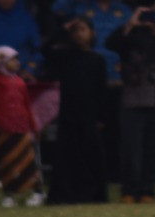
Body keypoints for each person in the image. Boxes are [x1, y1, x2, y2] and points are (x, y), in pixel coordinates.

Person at [107, 7, 155, 203]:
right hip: (133, 101)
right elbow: (111, 43)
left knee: (154, 150)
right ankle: (129, 190)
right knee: (131, 149)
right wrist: (131, 24)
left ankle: (148, 190)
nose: (150, 21)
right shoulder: (130, 38)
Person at [46, 17, 109, 203]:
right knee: (67, 156)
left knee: (92, 155)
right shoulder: (65, 57)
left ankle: (93, 195)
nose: (79, 34)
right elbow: (46, 50)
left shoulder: (97, 60)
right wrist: (62, 30)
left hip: (90, 115)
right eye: (75, 30)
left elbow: (101, 90)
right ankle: (66, 195)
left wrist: (101, 117)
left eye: (83, 29)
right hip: (68, 114)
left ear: (91, 33)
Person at [0, 45, 43, 207]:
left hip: (22, 127)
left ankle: (37, 192)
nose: (17, 63)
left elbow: (27, 105)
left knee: (28, 161)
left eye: (17, 59)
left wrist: (33, 126)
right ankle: (9, 194)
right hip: (4, 127)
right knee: (7, 161)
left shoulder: (19, 82)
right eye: (12, 60)